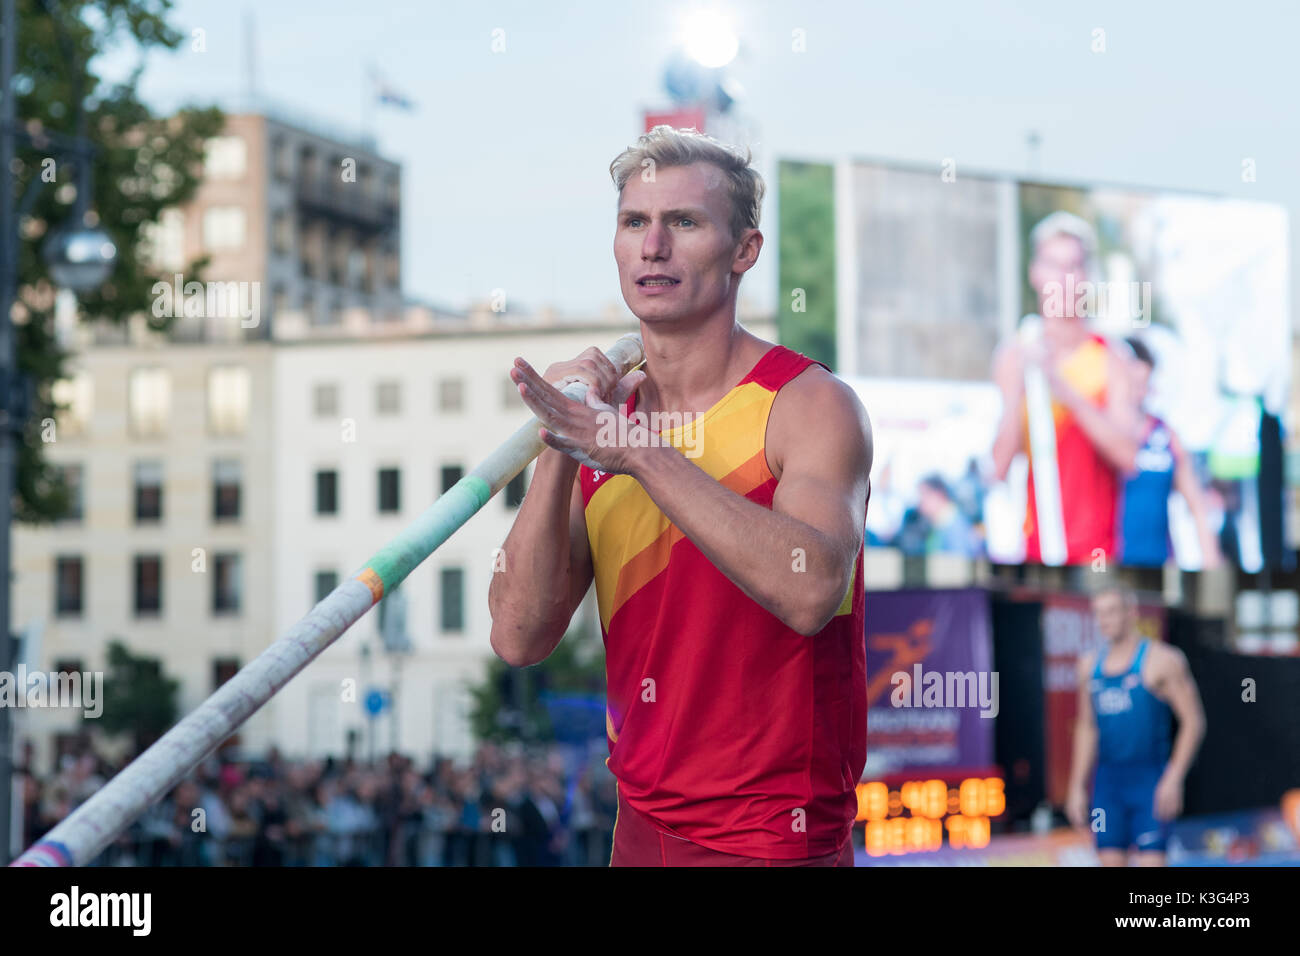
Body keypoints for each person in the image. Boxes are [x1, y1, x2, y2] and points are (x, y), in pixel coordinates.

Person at [489, 125, 872, 866]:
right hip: (639, 830)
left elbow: (812, 588)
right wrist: (559, 441)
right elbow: (518, 636)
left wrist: (634, 449)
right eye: (635, 222)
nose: (652, 246)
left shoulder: (807, 404)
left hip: (773, 838)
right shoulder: (601, 424)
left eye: (684, 222)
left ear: (744, 252)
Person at [991, 211, 1139, 564]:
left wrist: (1061, 387)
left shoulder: (1112, 357)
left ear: (1086, 277)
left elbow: (1130, 456)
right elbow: (998, 466)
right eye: (1054, 265)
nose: (1064, 278)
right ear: (1035, 273)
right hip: (1033, 554)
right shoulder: (1014, 354)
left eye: (1074, 266)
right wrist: (1025, 385)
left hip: (1100, 555)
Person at [1066, 584, 1205, 866]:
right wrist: (1076, 786)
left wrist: (1174, 777)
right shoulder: (1088, 665)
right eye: (1099, 614)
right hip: (1108, 783)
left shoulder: (1163, 660)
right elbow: (1087, 727)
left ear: (1131, 613)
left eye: (1112, 612)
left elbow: (1193, 721)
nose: (1105, 621)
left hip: (1150, 782)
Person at [1115, 337, 1222, 568]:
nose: (1138, 393)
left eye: (1143, 384)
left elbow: (1197, 506)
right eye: (1132, 384)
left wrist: (1211, 561)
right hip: (1108, 561)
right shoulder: (1101, 435)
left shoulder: (1165, 435)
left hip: (1158, 562)